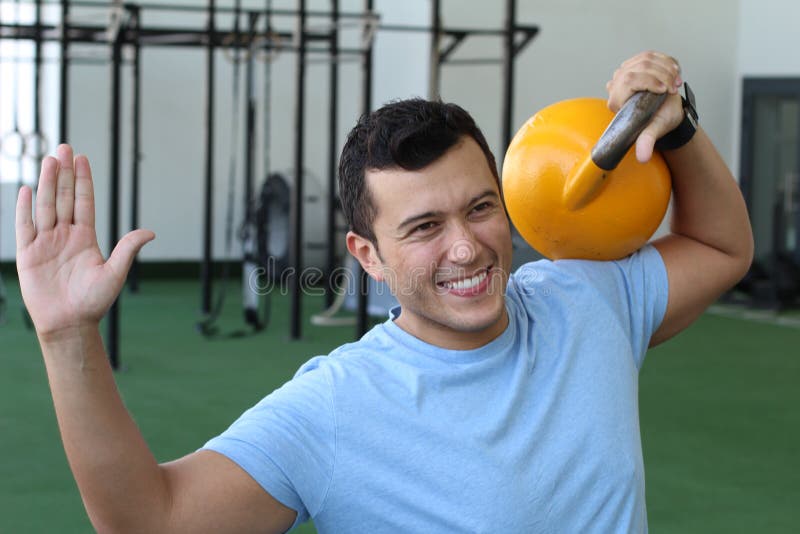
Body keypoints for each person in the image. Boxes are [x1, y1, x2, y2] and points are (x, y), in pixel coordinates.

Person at [15, 51, 752, 533]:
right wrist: (66, 336)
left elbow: (723, 247)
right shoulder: (335, 407)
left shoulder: (585, 300)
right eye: (424, 226)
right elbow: (153, 522)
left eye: (480, 208)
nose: (465, 247)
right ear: (367, 256)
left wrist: (677, 129)